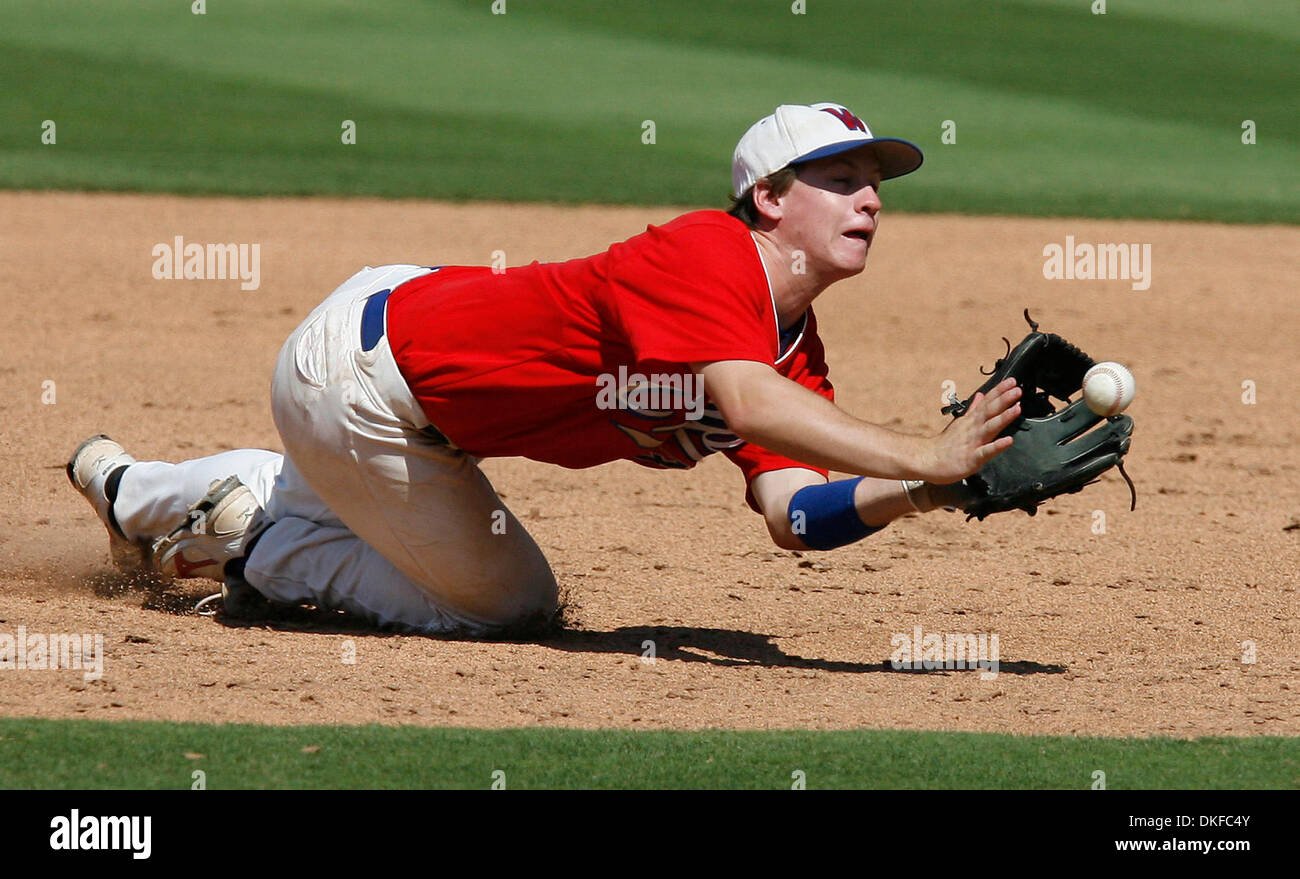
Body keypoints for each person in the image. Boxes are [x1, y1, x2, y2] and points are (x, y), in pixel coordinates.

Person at [67, 102, 1022, 636]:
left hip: (410, 358)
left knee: (416, 521)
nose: (870, 201)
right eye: (842, 180)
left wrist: (922, 493)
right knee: (513, 608)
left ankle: (134, 487)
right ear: (767, 199)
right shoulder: (708, 255)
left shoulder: (792, 351)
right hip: (366, 382)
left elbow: (797, 516)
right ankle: (252, 548)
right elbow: (740, 398)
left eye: (876, 184)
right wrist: (920, 452)